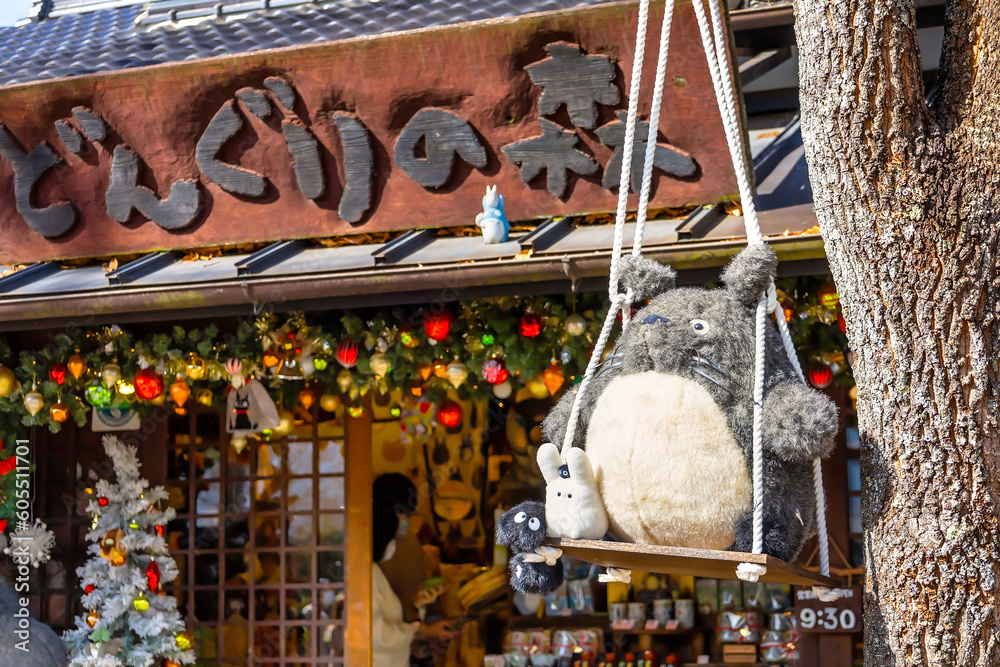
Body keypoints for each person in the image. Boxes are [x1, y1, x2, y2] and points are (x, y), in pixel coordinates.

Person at [372, 507, 454, 667]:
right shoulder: (367, 575)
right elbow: (379, 636)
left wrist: (418, 605)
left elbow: (392, 618)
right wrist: (418, 630)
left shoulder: (375, 571)